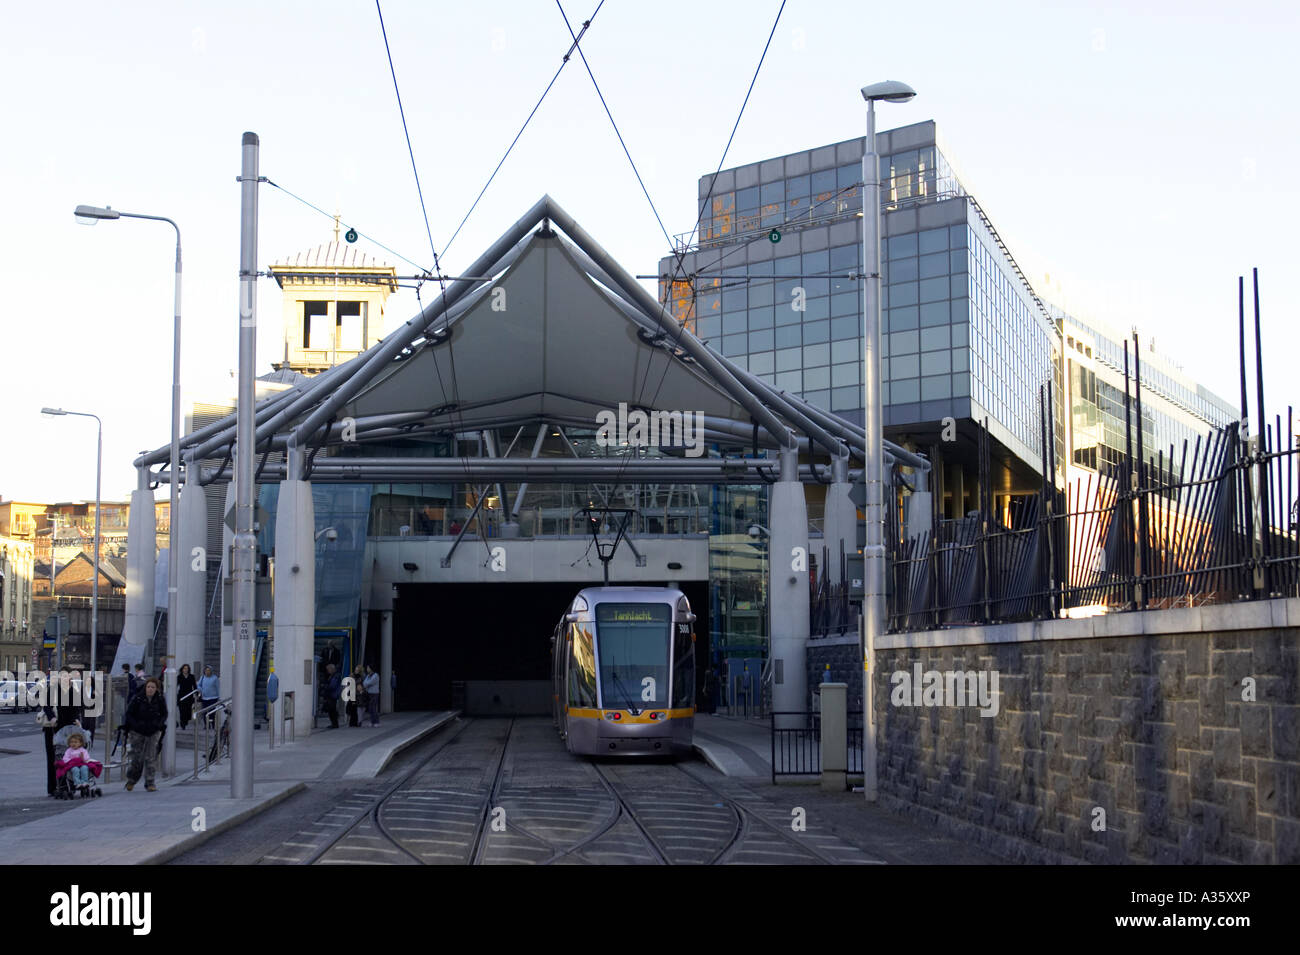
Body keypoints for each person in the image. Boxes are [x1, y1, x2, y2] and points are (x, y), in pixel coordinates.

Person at [123, 677, 166, 792]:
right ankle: (132, 779)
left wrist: (158, 724)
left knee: (151, 757)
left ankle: (150, 782)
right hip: (138, 732)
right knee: (137, 758)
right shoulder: (138, 698)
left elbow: (164, 714)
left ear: (156, 689)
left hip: (153, 731)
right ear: (145, 687)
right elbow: (129, 714)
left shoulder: (160, 699)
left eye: (153, 687)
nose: (150, 689)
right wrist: (136, 725)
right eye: (148, 687)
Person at [40, 687, 83, 797]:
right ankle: (53, 787)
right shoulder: (52, 690)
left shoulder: (72, 691)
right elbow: (46, 706)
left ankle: (68, 785)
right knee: (52, 758)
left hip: (67, 730)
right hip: (52, 729)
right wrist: (52, 717)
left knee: (68, 758)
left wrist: (77, 719)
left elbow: (76, 709)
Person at [176, 664, 197, 730]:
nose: (185, 670)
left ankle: (186, 721)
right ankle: (182, 723)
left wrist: (196, 693)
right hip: (181, 696)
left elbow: (194, 685)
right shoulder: (179, 677)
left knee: (188, 710)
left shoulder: (191, 676)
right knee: (182, 710)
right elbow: (176, 685)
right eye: (184, 668)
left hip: (189, 695)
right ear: (182, 669)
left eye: (187, 668)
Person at [322, 663, 341, 729]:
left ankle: (335, 724)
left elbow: (332, 686)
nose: (328, 671)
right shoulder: (333, 675)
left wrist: (326, 687)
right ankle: (334, 723)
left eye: (328, 670)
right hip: (332, 695)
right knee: (331, 710)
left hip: (333, 695)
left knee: (332, 710)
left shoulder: (335, 676)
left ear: (331, 669)